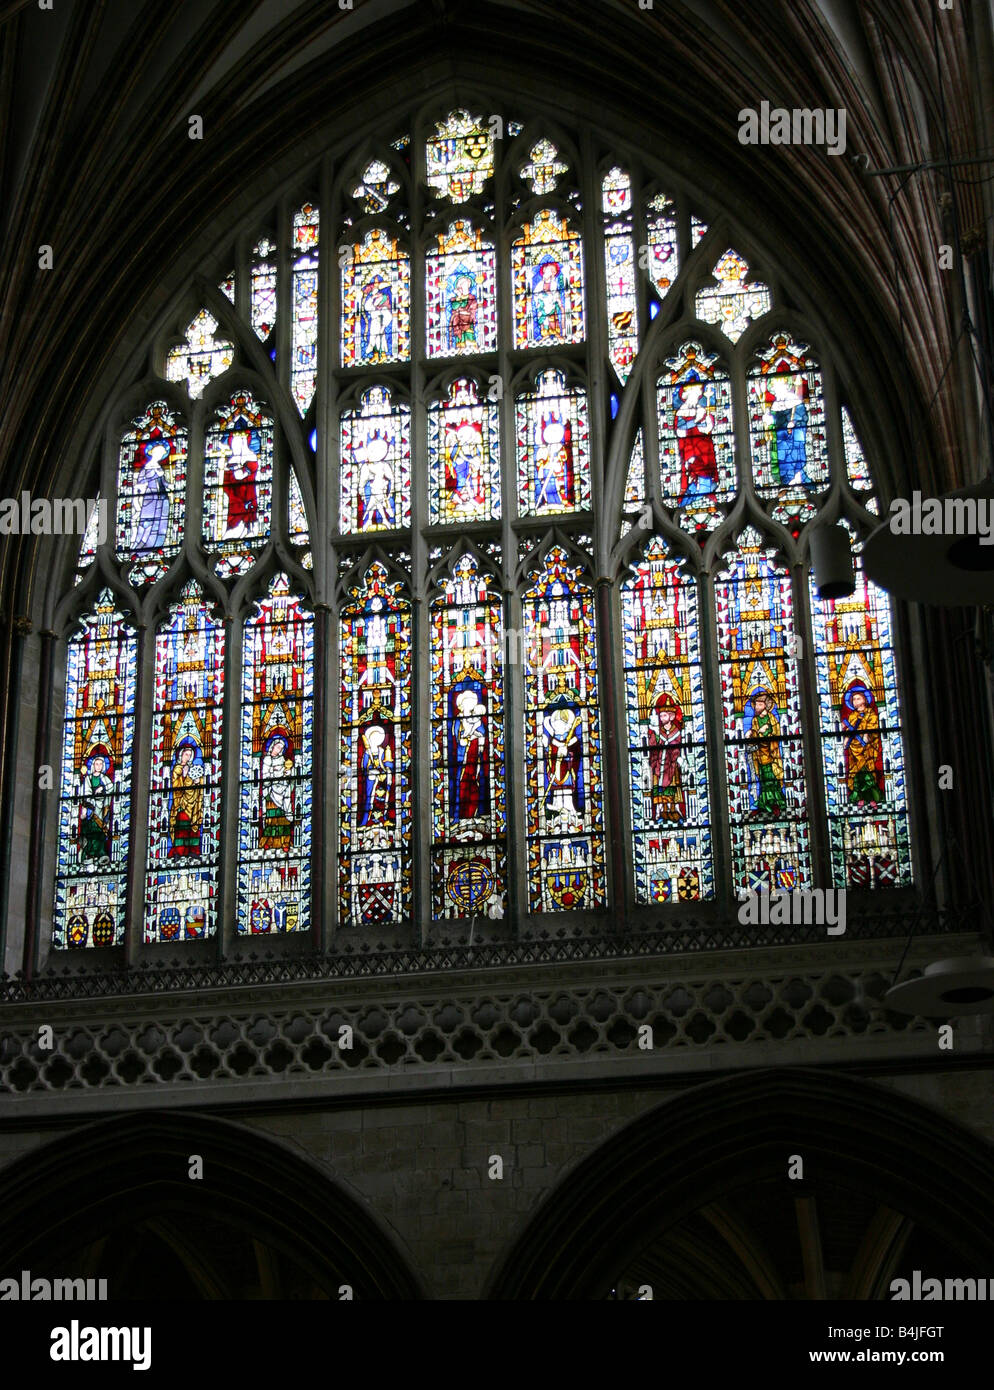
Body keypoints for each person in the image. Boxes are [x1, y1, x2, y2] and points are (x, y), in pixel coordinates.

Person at [673, 376, 719, 505]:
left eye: (697, 392)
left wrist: (708, 422)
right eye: (692, 392)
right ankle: (694, 497)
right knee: (694, 473)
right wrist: (695, 421)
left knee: (707, 471)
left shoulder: (701, 410)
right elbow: (679, 431)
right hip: (689, 449)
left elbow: (706, 429)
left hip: (705, 448)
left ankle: (706, 493)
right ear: (685, 395)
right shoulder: (681, 413)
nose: (695, 396)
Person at [745, 689, 787, 818]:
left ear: (766, 705)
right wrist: (752, 733)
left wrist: (764, 733)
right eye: (756, 704)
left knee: (772, 779)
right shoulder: (755, 720)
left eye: (759, 704)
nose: (756, 707)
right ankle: (764, 804)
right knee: (763, 780)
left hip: (771, 754)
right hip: (759, 755)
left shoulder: (772, 718)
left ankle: (776, 803)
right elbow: (755, 733)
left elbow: (776, 734)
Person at [842, 682, 885, 805]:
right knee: (856, 775)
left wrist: (866, 737)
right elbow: (848, 731)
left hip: (867, 750)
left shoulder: (871, 714)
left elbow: (873, 730)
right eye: (854, 699)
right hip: (854, 750)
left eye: (858, 698)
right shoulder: (852, 716)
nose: (856, 701)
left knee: (868, 774)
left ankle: (873, 798)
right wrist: (847, 738)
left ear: (865, 700)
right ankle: (859, 798)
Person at [646, 694, 685, 822]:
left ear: (671, 716)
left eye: (664, 715)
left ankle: (673, 810)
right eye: (660, 715)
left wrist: (676, 757)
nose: (661, 718)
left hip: (671, 767)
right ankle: (662, 812)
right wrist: (656, 737)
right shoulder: (659, 731)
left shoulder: (676, 732)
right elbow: (653, 744)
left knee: (673, 789)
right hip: (659, 766)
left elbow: (677, 748)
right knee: (660, 791)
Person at [451, 689, 486, 822]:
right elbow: (458, 739)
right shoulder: (458, 720)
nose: (471, 705)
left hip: (474, 756)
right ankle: (458, 816)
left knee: (474, 783)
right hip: (462, 757)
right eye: (468, 702)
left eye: (473, 703)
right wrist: (467, 738)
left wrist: (478, 737)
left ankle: (474, 813)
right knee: (461, 783)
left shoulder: (477, 720)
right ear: (462, 704)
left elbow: (482, 734)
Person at [131, 438, 170, 551]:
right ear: (152, 452)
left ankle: (158, 544)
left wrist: (169, 485)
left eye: (162, 453)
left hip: (162, 497)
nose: (160, 455)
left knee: (161, 520)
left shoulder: (159, 467)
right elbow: (141, 483)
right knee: (147, 522)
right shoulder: (146, 468)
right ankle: (143, 544)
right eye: (158, 452)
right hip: (150, 497)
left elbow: (163, 482)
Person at [221, 427, 260, 539]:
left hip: (247, 495)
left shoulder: (251, 459)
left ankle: (246, 530)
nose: (234, 446)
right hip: (233, 497)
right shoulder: (231, 461)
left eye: (237, 443)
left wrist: (234, 469)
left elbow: (240, 475)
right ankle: (233, 531)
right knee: (233, 510)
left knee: (245, 513)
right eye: (233, 443)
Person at [167, 740, 204, 857]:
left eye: (189, 755)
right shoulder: (177, 769)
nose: (188, 757)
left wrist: (198, 782)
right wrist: (184, 775)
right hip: (181, 804)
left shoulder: (192, 768)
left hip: (193, 804)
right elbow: (176, 785)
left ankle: (193, 851)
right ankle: (179, 851)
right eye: (186, 754)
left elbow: (197, 783)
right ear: (181, 755)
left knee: (193, 828)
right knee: (181, 828)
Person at [260, 735, 295, 851]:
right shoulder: (267, 760)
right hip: (271, 793)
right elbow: (265, 778)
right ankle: (268, 841)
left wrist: (288, 773)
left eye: (281, 748)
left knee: (283, 818)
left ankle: (285, 842)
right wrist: (276, 776)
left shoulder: (282, 760)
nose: (278, 750)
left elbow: (287, 773)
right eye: (277, 747)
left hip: (283, 791)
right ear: (272, 746)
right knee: (271, 818)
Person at [78, 751, 113, 861]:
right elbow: (84, 792)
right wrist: (94, 793)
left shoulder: (104, 778)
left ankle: (101, 853)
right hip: (91, 808)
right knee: (91, 830)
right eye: (96, 764)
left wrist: (103, 788)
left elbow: (111, 787)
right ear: (93, 766)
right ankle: (88, 854)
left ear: (103, 766)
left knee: (101, 831)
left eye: (101, 764)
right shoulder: (88, 779)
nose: (99, 766)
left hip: (101, 807)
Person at [359, 723, 393, 827]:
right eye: (373, 738)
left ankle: (384, 817)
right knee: (370, 799)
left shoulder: (382, 751)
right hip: (371, 779)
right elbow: (364, 767)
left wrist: (386, 769)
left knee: (383, 799)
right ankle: (367, 820)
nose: (376, 740)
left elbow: (388, 763)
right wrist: (371, 770)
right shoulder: (366, 753)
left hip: (382, 779)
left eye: (377, 738)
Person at [447, 272, 478, 351]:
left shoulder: (471, 297)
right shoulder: (455, 299)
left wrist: (464, 312)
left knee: (469, 336)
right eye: (462, 286)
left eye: (466, 286)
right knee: (460, 339)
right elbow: (455, 307)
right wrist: (459, 297)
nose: (464, 288)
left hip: (468, 321)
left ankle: (473, 349)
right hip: (458, 323)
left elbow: (472, 309)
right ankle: (460, 349)